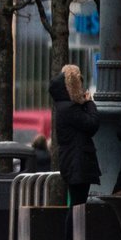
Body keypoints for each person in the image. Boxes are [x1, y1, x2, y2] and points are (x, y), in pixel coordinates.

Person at [50, 63, 101, 209]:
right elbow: (92, 124)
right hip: (77, 163)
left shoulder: (63, 106)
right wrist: (90, 103)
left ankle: (71, 232)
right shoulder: (70, 108)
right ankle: (71, 233)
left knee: (76, 205)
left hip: (72, 162)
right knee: (77, 206)